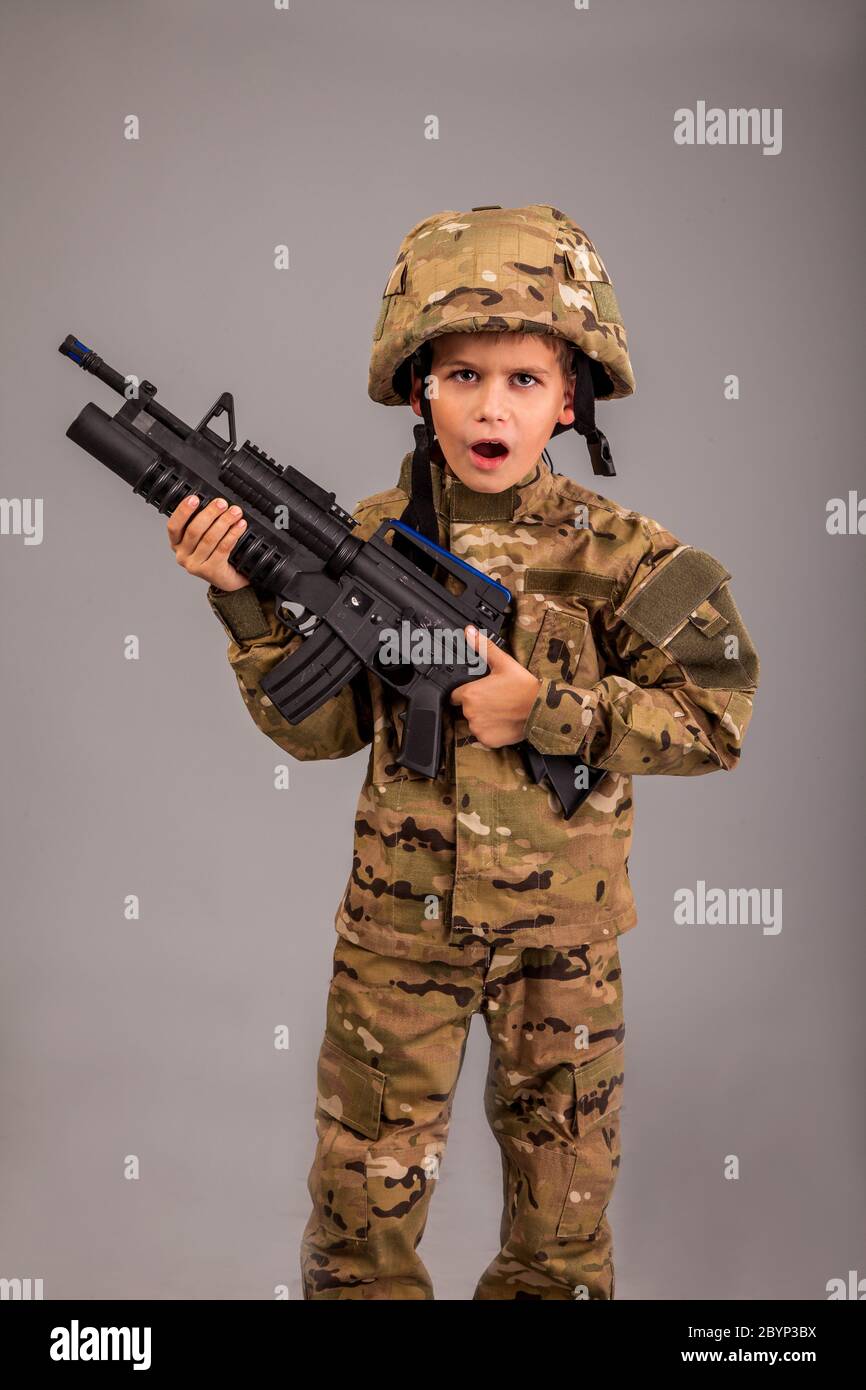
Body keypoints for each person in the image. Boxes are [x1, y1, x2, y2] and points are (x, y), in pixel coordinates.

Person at [166, 204, 760, 1300]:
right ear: (414, 388)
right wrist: (247, 606)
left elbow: (718, 714)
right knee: (356, 1237)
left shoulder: (625, 558)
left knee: (561, 1245)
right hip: (397, 938)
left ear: (570, 396)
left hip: (562, 950)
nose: (491, 405)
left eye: (525, 379)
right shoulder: (368, 536)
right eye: (461, 375)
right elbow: (322, 730)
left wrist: (551, 712)